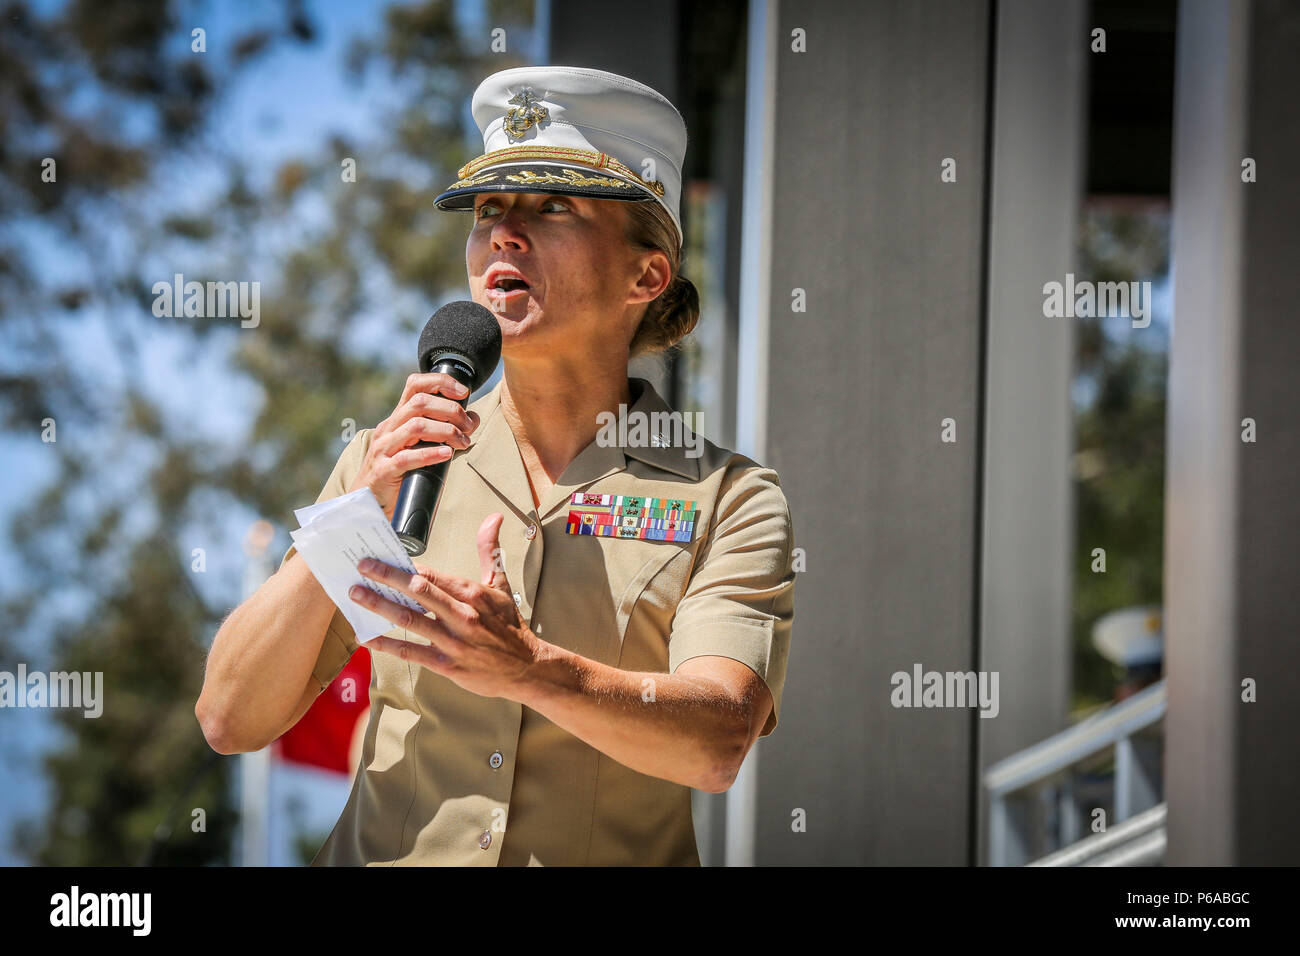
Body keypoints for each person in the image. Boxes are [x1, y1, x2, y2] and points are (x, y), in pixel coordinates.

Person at [196, 65, 796, 866]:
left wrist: (531, 671)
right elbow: (230, 718)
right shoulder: (391, 462)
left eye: (553, 206)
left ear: (646, 274)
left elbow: (718, 740)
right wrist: (347, 522)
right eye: (488, 211)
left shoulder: (729, 498)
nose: (504, 234)